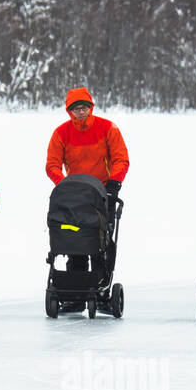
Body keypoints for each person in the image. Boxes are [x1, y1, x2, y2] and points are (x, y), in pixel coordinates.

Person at [46, 87, 129, 310]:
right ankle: (75, 293)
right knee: (74, 239)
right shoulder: (61, 133)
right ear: (69, 111)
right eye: (76, 109)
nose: (80, 112)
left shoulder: (107, 128)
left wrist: (114, 182)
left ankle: (101, 290)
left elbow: (121, 158)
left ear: (91, 108)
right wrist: (63, 185)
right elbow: (52, 164)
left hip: (103, 194)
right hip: (73, 196)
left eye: (84, 108)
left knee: (101, 241)